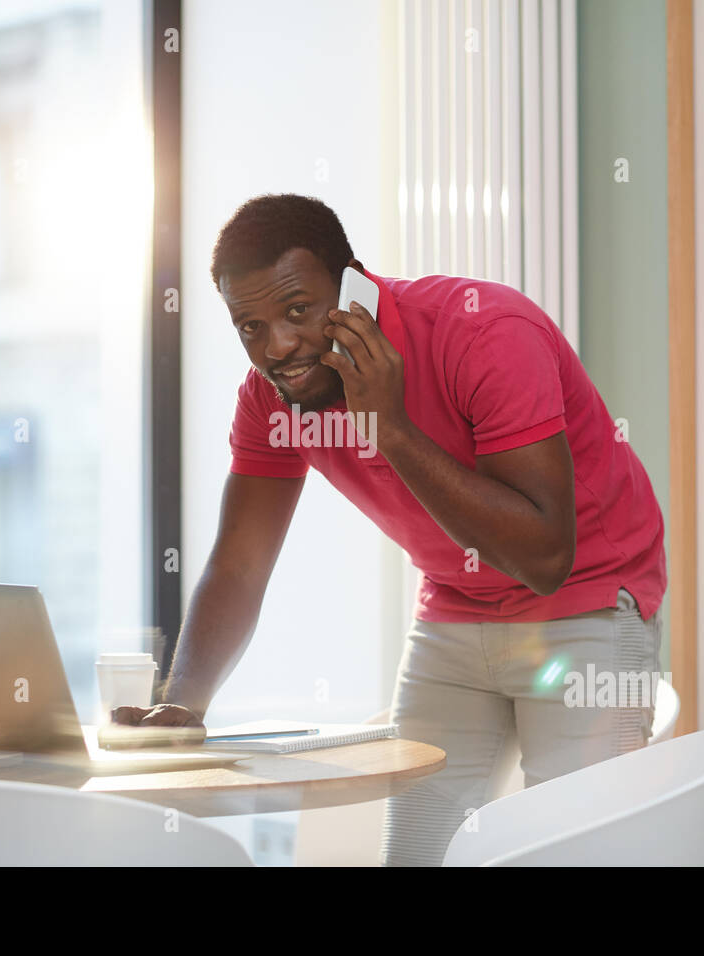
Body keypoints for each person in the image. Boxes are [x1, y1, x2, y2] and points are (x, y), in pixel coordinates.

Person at [113, 193, 666, 866]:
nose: (278, 347)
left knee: (570, 854)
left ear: (354, 287)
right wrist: (183, 704)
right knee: (417, 856)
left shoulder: (483, 332)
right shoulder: (271, 401)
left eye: (297, 311)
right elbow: (238, 567)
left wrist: (391, 425)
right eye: (249, 327)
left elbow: (545, 555)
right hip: (454, 611)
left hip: (587, 601)